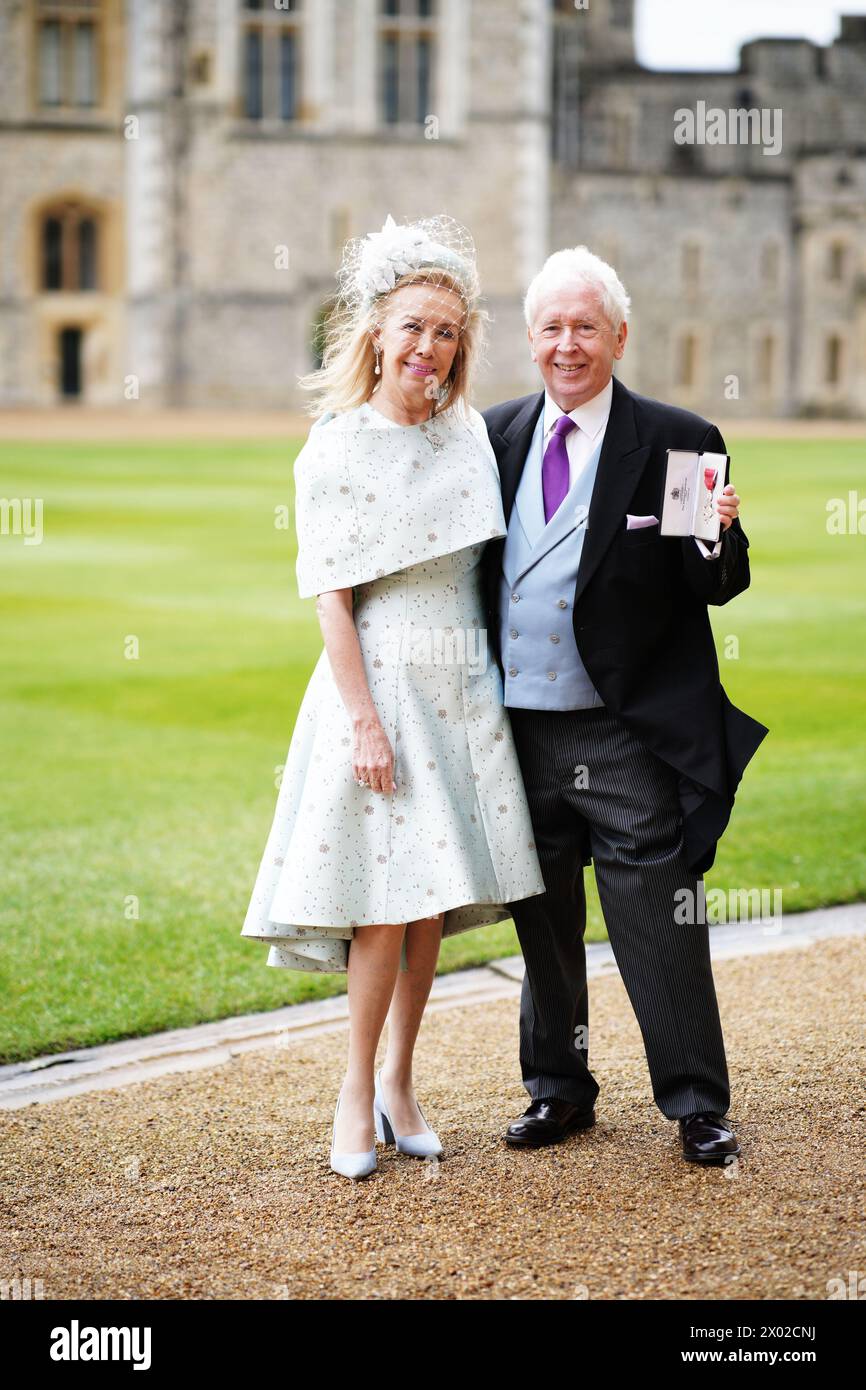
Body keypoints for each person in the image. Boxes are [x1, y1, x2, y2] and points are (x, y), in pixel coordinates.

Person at [241, 215, 546, 1179]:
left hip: (465, 688)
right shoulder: (335, 445)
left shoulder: (469, 437)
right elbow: (332, 597)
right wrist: (365, 723)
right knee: (381, 907)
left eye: (448, 332)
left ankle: (401, 1082)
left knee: (430, 906)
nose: (430, 347)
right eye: (414, 326)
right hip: (379, 689)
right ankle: (351, 1089)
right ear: (376, 327)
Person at [480, 245, 769, 1165]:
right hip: (517, 726)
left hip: (623, 729)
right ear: (532, 338)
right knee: (544, 919)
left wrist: (719, 540)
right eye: (553, 328)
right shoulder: (493, 439)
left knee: (658, 914)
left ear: (620, 335)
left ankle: (696, 1103)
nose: (569, 345)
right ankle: (558, 1090)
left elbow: (715, 583)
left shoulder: (679, 440)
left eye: (586, 327)